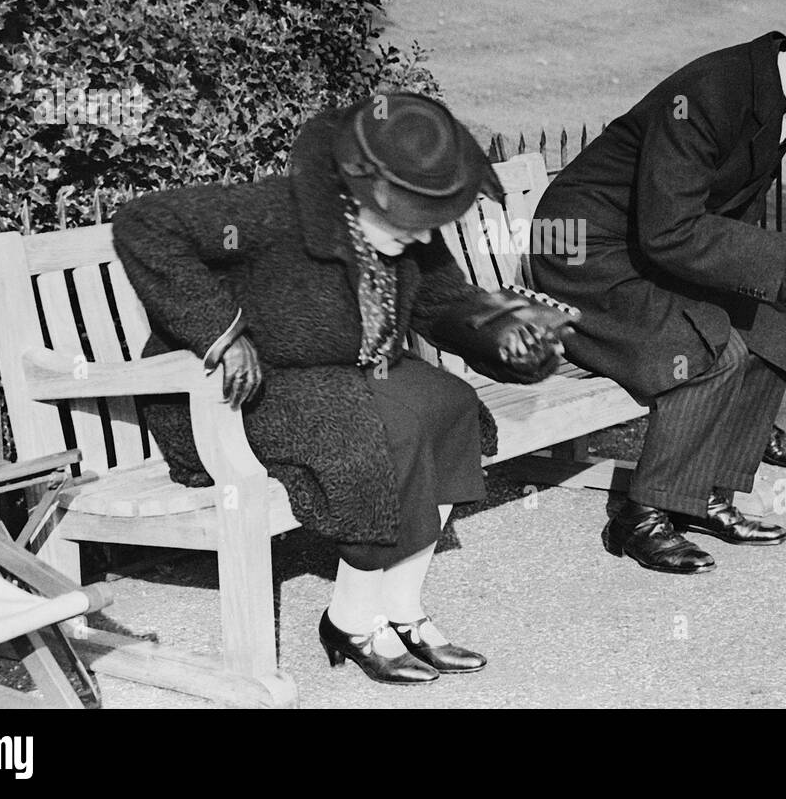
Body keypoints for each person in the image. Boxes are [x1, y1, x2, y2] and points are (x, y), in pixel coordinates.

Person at [112, 93, 566, 685]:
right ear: (362, 190)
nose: (424, 232)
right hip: (231, 396)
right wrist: (222, 333)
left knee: (449, 404)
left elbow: (444, 304)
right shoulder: (275, 210)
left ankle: (402, 609)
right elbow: (143, 223)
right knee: (379, 425)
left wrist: (504, 337)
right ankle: (350, 618)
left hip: (335, 377)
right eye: (409, 216)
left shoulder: (407, 232)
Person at [531, 0, 786, 574]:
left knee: (778, 338)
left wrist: (774, 264)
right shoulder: (713, 91)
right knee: (710, 348)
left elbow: (708, 220)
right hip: (587, 259)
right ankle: (642, 515)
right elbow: (669, 231)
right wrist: (780, 254)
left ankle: (704, 495)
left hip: (647, 249)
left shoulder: (771, 91)